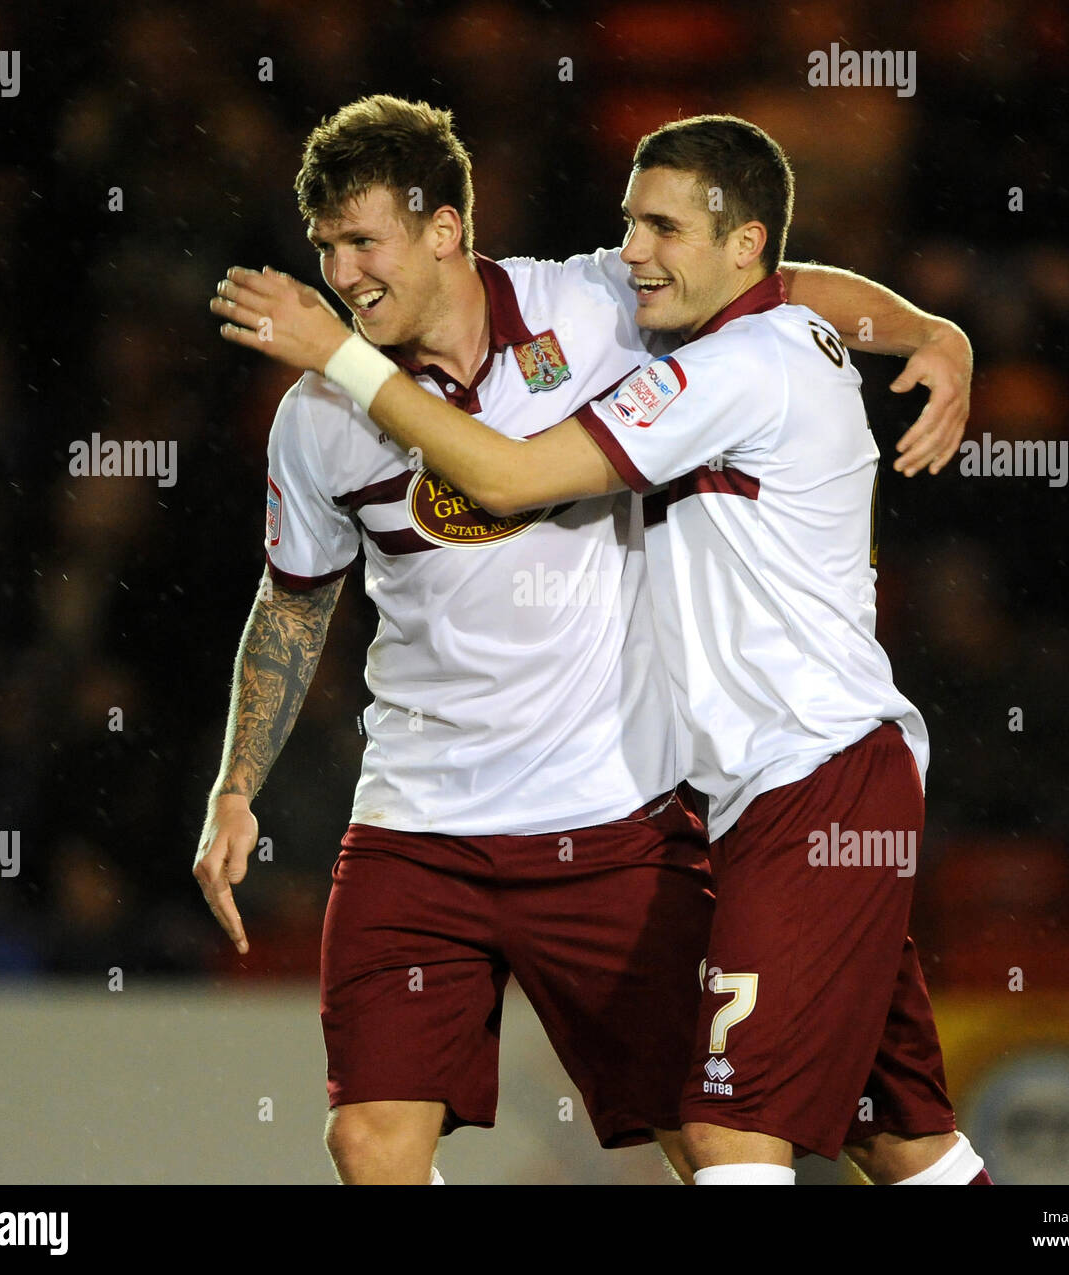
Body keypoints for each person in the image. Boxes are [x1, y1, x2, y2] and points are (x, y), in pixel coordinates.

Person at [205, 99, 975, 1185]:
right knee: (369, 1142)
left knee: (725, 1128)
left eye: (363, 241)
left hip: (612, 821)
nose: (342, 272)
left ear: (443, 231)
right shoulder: (315, 419)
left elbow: (783, 290)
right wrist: (237, 782)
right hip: (416, 824)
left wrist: (930, 332)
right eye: (324, 247)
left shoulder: (600, 307)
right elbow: (291, 603)